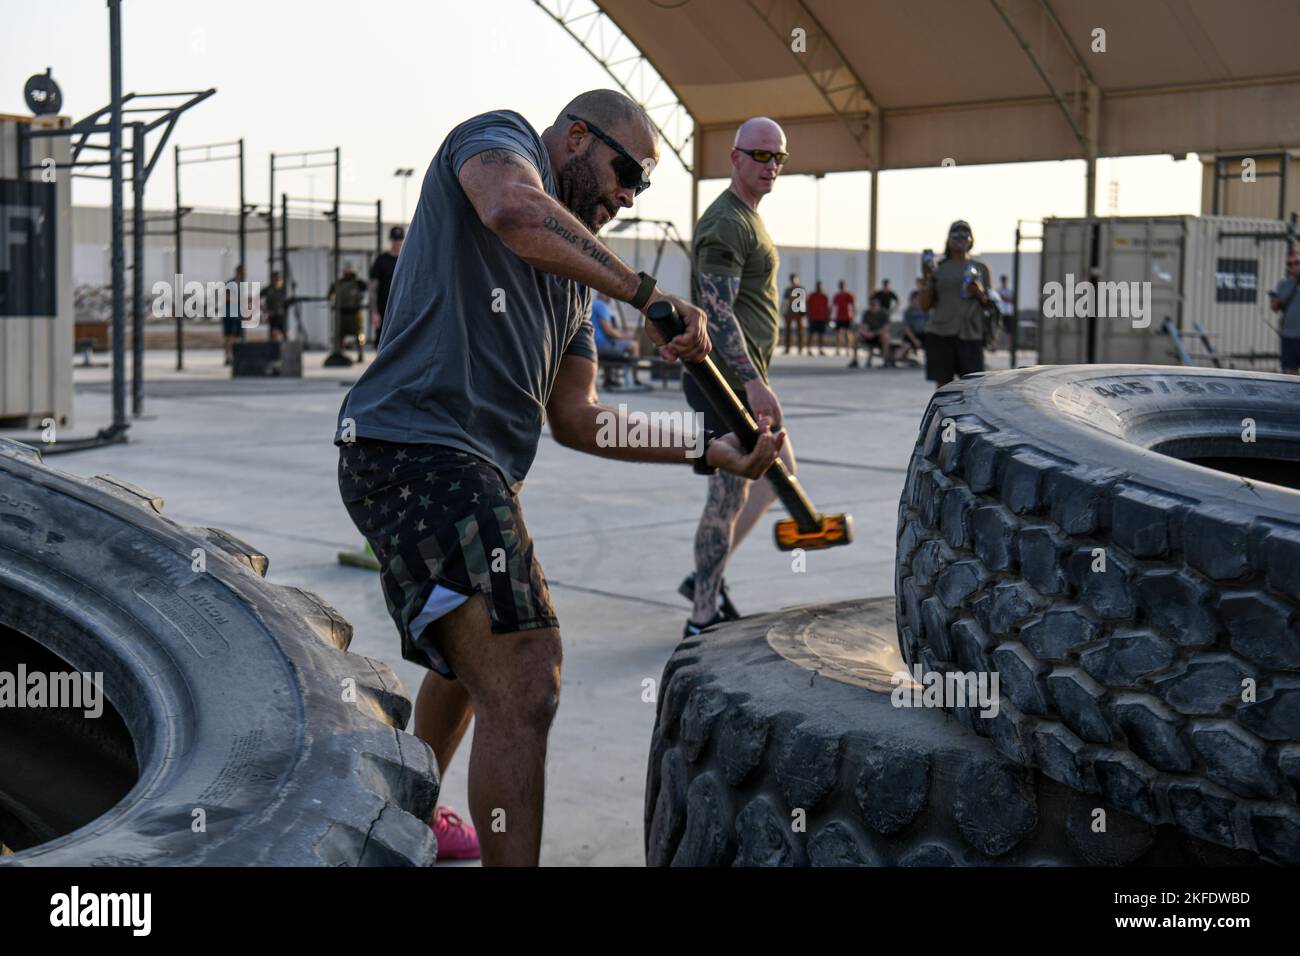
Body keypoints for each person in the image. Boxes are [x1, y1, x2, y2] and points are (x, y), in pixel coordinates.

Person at [334, 90, 780, 867]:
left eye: (642, 188)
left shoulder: (575, 281)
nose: (628, 196)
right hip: (413, 448)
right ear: (576, 136)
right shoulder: (500, 142)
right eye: (625, 172)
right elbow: (512, 210)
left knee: (474, 660)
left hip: (469, 472)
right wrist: (644, 292)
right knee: (526, 666)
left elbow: (580, 418)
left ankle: (402, 814)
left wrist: (709, 446)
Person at [680, 116, 797, 636]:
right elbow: (717, 313)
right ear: (735, 158)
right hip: (724, 382)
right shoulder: (726, 223)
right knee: (727, 497)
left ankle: (706, 576)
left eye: (779, 157)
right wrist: (750, 382)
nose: (771, 165)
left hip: (743, 378)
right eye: (760, 155)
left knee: (775, 478)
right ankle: (701, 613)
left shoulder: (749, 217)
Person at [919, 219, 992, 386]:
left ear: (971, 239)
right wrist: (927, 278)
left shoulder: (980, 268)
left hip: (970, 335)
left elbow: (990, 305)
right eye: (956, 233)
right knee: (944, 388)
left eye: (965, 233)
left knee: (973, 388)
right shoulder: (939, 268)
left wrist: (979, 293)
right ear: (948, 239)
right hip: (941, 333)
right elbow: (924, 305)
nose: (961, 237)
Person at [590, 289, 646, 388]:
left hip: (593, 345)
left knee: (611, 345)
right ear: (602, 294)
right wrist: (626, 336)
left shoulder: (592, 304)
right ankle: (634, 380)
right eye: (608, 294)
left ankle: (608, 380)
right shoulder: (602, 306)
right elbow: (609, 332)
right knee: (634, 345)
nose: (610, 297)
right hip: (601, 346)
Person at [370, 226, 404, 346]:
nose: (398, 243)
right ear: (391, 240)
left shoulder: (407, 260)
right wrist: (374, 312)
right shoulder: (381, 260)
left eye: (400, 240)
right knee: (382, 344)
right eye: (395, 240)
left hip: (402, 310)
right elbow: (373, 288)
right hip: (384, 310)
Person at [1268, 251, 1300, 374]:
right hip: (1287, 335)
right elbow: (1276, 308)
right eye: (1290, 264)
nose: (1293, 267)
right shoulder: (1283, 284)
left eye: (1297, 263)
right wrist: (1274, 300)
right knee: (1290, 371)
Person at [329, 266, 368, 362]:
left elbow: (366, 288)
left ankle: (360, 353)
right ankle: (339, 353)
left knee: (359, 335)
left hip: (355, 313)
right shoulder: (339, 283)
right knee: (339, 335)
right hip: (342, 313)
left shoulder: (358, 283)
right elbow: (330, 295)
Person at [850, 301, 891, 367]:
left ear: (878, 306)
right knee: (856, 336)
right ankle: (855, 360)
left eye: (875, 305)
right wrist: (865, 333)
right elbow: (862, 327)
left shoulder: (883, 313)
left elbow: (886, 328)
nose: (873, 307)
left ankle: (885, 361)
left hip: (878, 335)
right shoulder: (867, 313)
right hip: (868, 335)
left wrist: (874, 333)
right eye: (871, 306)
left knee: (885, 337)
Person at [222, 263, 246, 365]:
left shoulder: (242, 284)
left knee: (236, 337)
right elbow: (225, 297)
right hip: (229, 314)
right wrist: (239, 300)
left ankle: (233, 356)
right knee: (229, 337)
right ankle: (228, 357)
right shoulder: (231, 283)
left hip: (238, 315)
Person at [259, 270, 288, 342]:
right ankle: (274, 347)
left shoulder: (284, 289)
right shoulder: (268, 289)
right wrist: (264, 309)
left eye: (279, 279)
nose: (277, 280)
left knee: (284, 333)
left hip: (281, 314)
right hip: (272, 314)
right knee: (274, 333)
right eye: (276, 278)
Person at [780, 273, 805, 354]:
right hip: (789, 313)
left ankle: (800, 348)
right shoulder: (788, 290)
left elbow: (803, 302)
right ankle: (787, 348)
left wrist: (803, 313)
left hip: (798, 313)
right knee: (788, 331)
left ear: (797, 279)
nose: (794, 281)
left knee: (800, 331)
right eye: (792, 280)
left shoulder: (801, 289)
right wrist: (782, 312)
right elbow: (785, 302)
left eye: (795, 279)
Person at [831, 280, 855, 356]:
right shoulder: (836, 296)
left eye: (843, 286)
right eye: (841, 286)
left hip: (847, 317)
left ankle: (848, 349)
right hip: (838, 317)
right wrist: (832, 317)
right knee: (838, 334)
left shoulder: (849, 295)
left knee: (847, 333)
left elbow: (854, 305)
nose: (842, 287)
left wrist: (853, 315)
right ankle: (837, 349)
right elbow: (834, 307)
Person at [806, 280, 830, 354]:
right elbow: (808, 306)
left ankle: (821, 349)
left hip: (822, 318)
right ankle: (809, 349)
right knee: (811, 334)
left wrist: (828, 318)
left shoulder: (825, 296)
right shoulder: (811, 295)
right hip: (813, 317)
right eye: (818, 286)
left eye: (820, 286)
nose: (819, 287)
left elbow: (827, 308)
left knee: (821, 335)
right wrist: (808, 316)